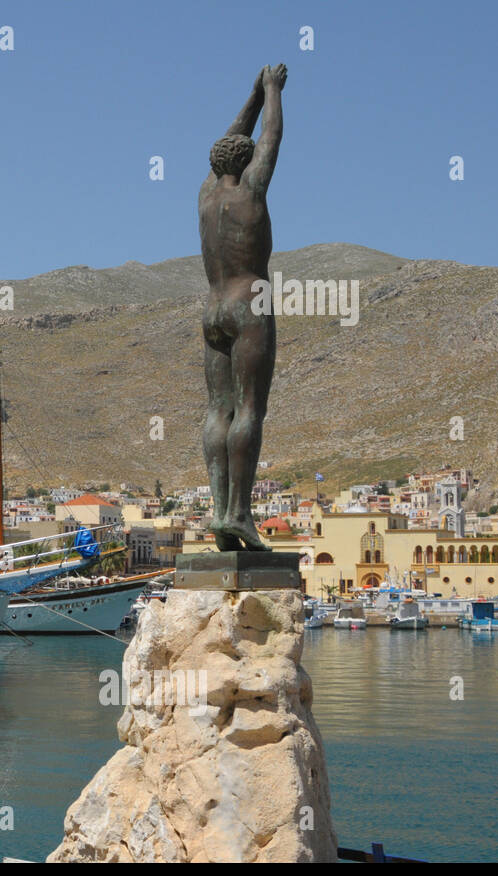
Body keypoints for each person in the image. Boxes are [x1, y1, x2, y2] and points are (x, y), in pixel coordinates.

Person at [198, 63, 287, 551]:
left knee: (218, 409)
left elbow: (230, 142)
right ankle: (238, 513)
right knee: (250, 407)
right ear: (247, 161)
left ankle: (219, 513)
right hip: (249, 301)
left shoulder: (204, 198)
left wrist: (249, 95)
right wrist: (271, 91)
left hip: (212, 310)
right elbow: (271, 135)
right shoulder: (253, 189)